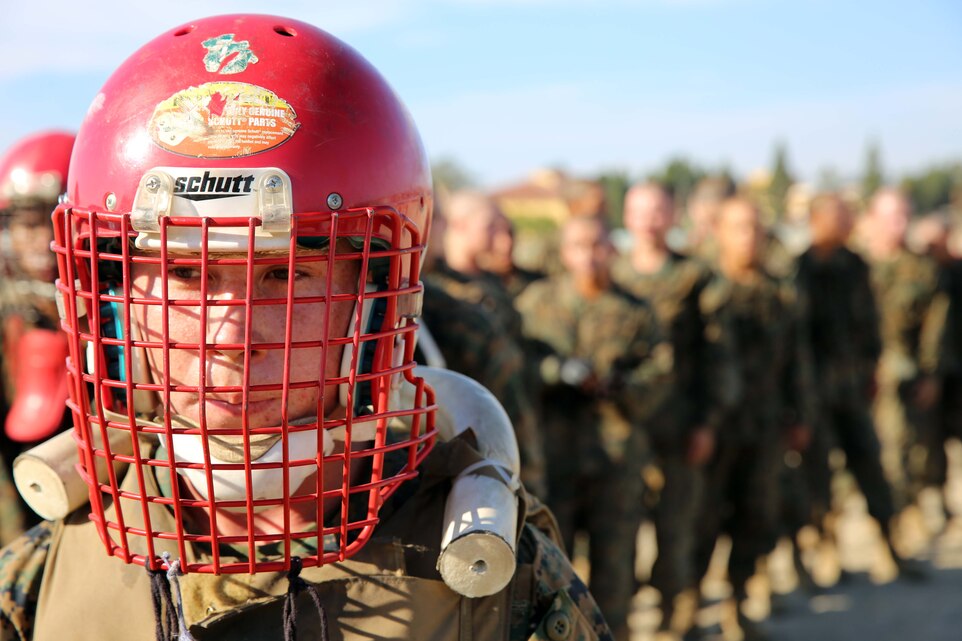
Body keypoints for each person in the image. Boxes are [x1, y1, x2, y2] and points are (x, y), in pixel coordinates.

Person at [0, 15, 612, 641]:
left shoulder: (499, 580)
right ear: (118, 297)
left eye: (287, 276)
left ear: (374, 299)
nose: (231, 337)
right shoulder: (42, 576)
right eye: (186, 272)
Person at [517, 215, 671, 641]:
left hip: (616, 461)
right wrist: (554, 370)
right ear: (565, 252)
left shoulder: (634, 310)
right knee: (550, 573)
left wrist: (622, 385)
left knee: (615, 572)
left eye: (597, 244)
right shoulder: (536, 303)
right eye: (579, 245)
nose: (588, 254)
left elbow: (661, 371)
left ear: (611, 249)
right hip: (554, 460)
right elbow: (516, 366)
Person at [612, 183, 739, 640]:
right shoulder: (612, 274)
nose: (648, 220)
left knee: (677, 524)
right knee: (620, 529)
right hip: (622, 427)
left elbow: (717, 356)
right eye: (639, 211)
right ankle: (620, 617)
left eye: (657, 210)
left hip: (681, 422)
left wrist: (708, 422)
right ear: (626, 217)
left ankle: (677, 616)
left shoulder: (695, 277)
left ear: (673, 216)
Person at [693, 197, 814, 641]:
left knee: (756, 515)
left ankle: (738, 602)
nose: (750, 237)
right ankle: (688, 605)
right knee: (702, 519)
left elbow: (797, 360)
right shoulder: (703, 287)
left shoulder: (779, 290)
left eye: (756, 228)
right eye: (739, 227)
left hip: (762, 426)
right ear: (719, 232)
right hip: (712, 426)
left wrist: (800, 415)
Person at [0, 130, 75, 542]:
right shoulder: (8, 318)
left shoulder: (124, 315)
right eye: (26, 226)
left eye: (50, 222)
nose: (41, 244)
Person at [863, 188, 947, 516]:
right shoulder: (856, 266)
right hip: (855, 378)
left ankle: (904, 519)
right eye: (889, 217)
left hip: (905, 377)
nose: (897, 225)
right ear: (872, 219)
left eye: (903, 217)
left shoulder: (923, 270)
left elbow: (936, 329)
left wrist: (931, 373)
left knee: (905, 452)